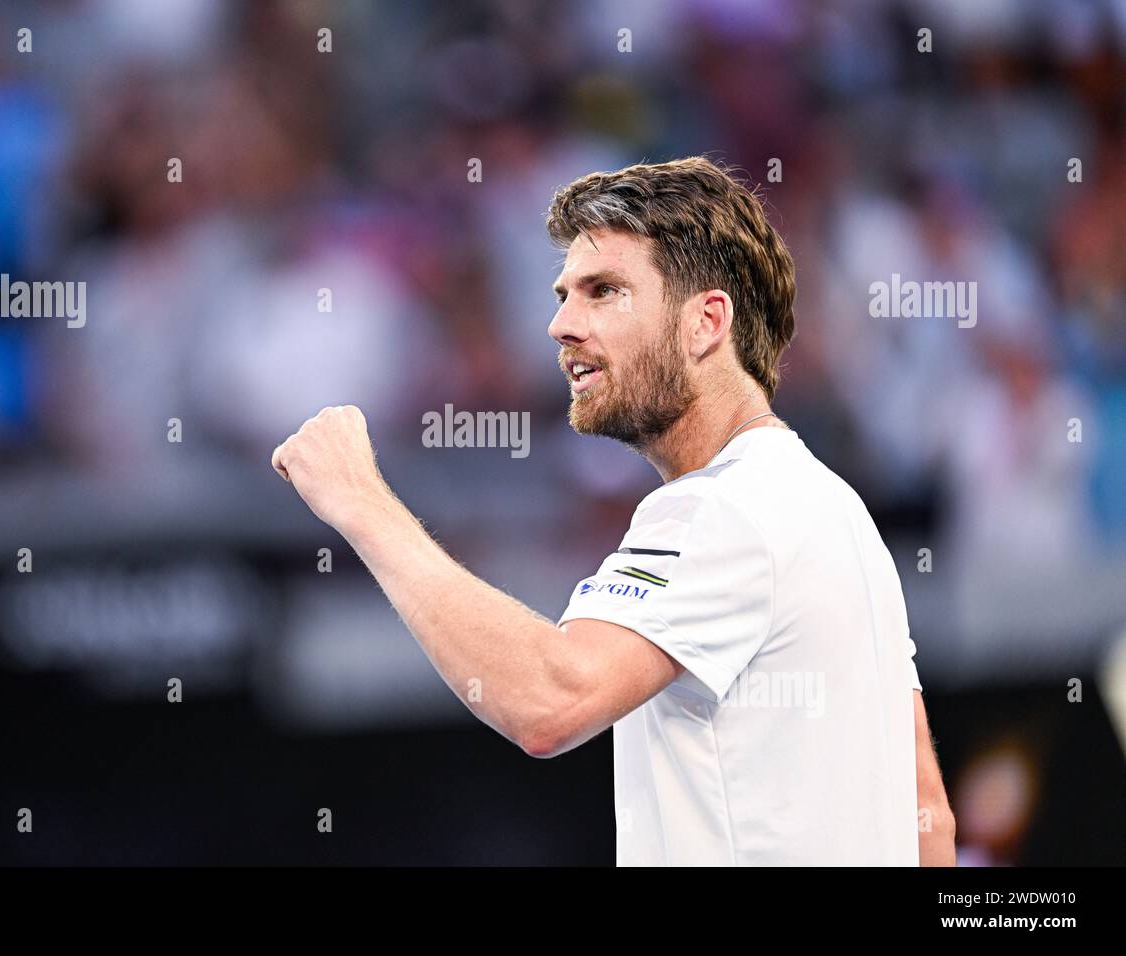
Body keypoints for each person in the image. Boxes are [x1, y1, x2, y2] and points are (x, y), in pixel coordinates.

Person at [272, 156, 955, 866]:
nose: (561, 324)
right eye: (564, 294)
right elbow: (926, 815)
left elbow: (549, 699)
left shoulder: (719, 509)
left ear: (705, 323)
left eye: (605, 292)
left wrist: (362, 502)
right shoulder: (836, 509)